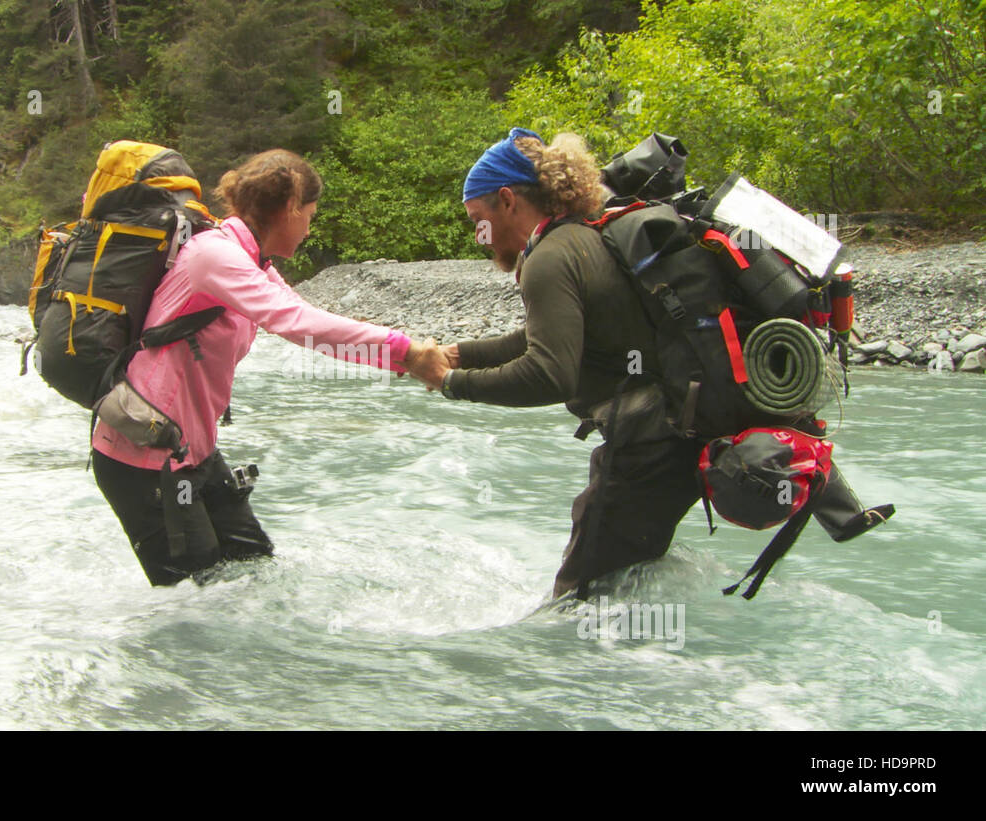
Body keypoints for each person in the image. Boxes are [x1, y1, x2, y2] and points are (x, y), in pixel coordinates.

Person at [91, 148, 428, 586]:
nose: (309, 229)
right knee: (197, 591)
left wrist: (405, 359)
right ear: (290, 207)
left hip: (192, 450)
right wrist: (406, 351)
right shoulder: (214, 255)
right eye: (310, 215)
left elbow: (304, 317)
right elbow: (296, 322)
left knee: (252, 565)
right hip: (143, 455)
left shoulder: (248, 259)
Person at [406, 127, 703, 601]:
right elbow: (543, 338)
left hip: (650, 449)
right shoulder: (584, 235)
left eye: (478, 220)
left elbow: (549, 375)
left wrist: (448, 381)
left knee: (579, 603)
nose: (479, 237)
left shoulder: (549, 258)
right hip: (679, 431)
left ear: (507, 200)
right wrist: (461, 355)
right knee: (620, 590)